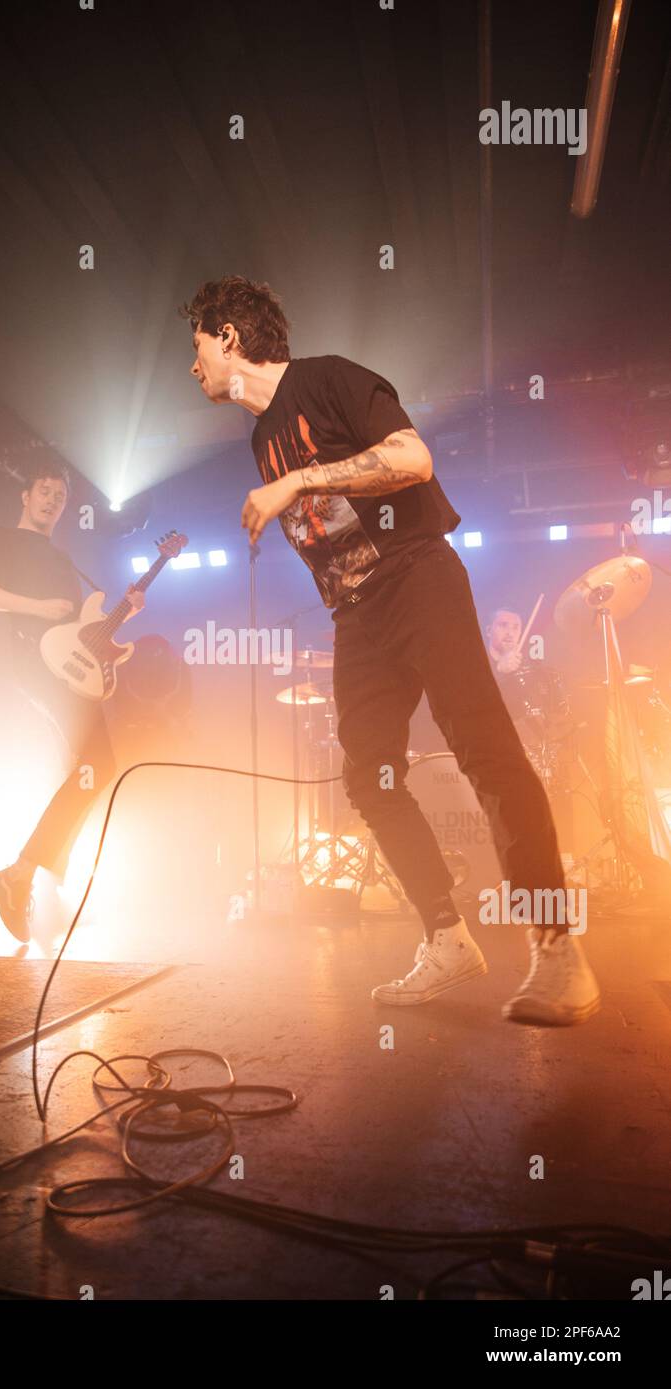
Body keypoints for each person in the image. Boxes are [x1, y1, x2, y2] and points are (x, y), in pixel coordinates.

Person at [180, 274, 600, 1026]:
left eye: (198, 346)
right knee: (368, 774)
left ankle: (557, 945)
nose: (194, 365)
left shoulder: (329, 378)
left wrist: (296, 483)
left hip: (417, 577)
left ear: (230, 338)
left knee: (486, 749)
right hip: (357, 614)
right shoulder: (257, 438)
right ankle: (446, 936)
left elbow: (412, 458)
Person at [0, 461, 144, 941]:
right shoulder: (1, 539)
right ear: (25, 495)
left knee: (95, 766)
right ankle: (28, 877)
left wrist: (122, 617)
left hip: (70, 671)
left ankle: (28, 878)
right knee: (95, 765)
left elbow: (82, 632)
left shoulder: (63, 559)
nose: (51, 500)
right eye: (43, 490)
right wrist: (36, 607)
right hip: (37, 667)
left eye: (59, 496)